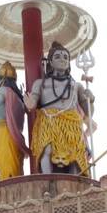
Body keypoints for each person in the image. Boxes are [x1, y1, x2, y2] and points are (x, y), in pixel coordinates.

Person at [24, 41, 95, 175]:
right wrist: (29, 104)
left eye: (65, 57)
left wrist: (90, 100)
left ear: (69, 62)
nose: (62, 59)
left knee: (75, 153)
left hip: (71, 122)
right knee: (47, 149)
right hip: (49, 119)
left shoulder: (76, 86)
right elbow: (33, 101)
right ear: (50, 62)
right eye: (57, 57)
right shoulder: (41, 83)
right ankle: (47, 179)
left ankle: (74, 181)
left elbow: (88, 112)